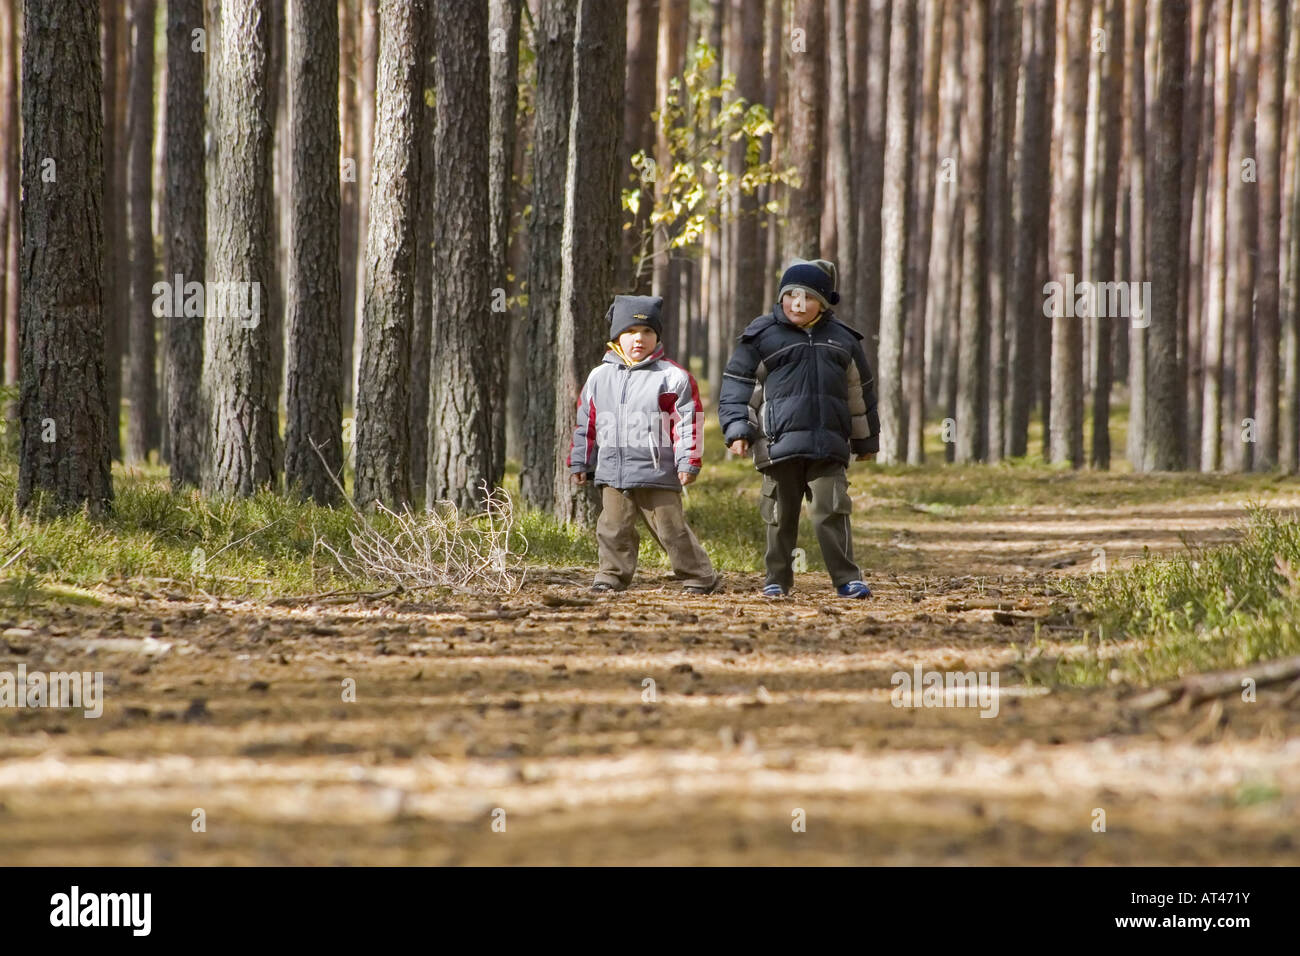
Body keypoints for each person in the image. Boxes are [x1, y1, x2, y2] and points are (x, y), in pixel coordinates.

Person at [717, 258, 879, 598]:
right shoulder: (761, 337)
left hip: (828, 445)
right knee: (780, 516)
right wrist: (737, 429)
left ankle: (847, 578)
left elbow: (859, 394)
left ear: (823, 301)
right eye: (790, 295)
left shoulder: (843, 340)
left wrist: (865, 440)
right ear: (780, 298)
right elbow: (738, 387)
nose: (798, 303)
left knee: (830, 511)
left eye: (807, 296)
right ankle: (777, 578)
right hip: (778, 446)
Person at [569, 294, 718, 594]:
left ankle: (698, 575)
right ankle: (612, 575)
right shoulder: (599, 377)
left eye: (648, 331)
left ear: (657, 336)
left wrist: (688, 461)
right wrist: (580, 462)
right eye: (631, 332)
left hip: (657, 470)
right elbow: (585, 424)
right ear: (617, 337)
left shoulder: (672, 377)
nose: (639, 339)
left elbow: (688, 422)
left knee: (671, 529)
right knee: (613, 528)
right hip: (612, 471)